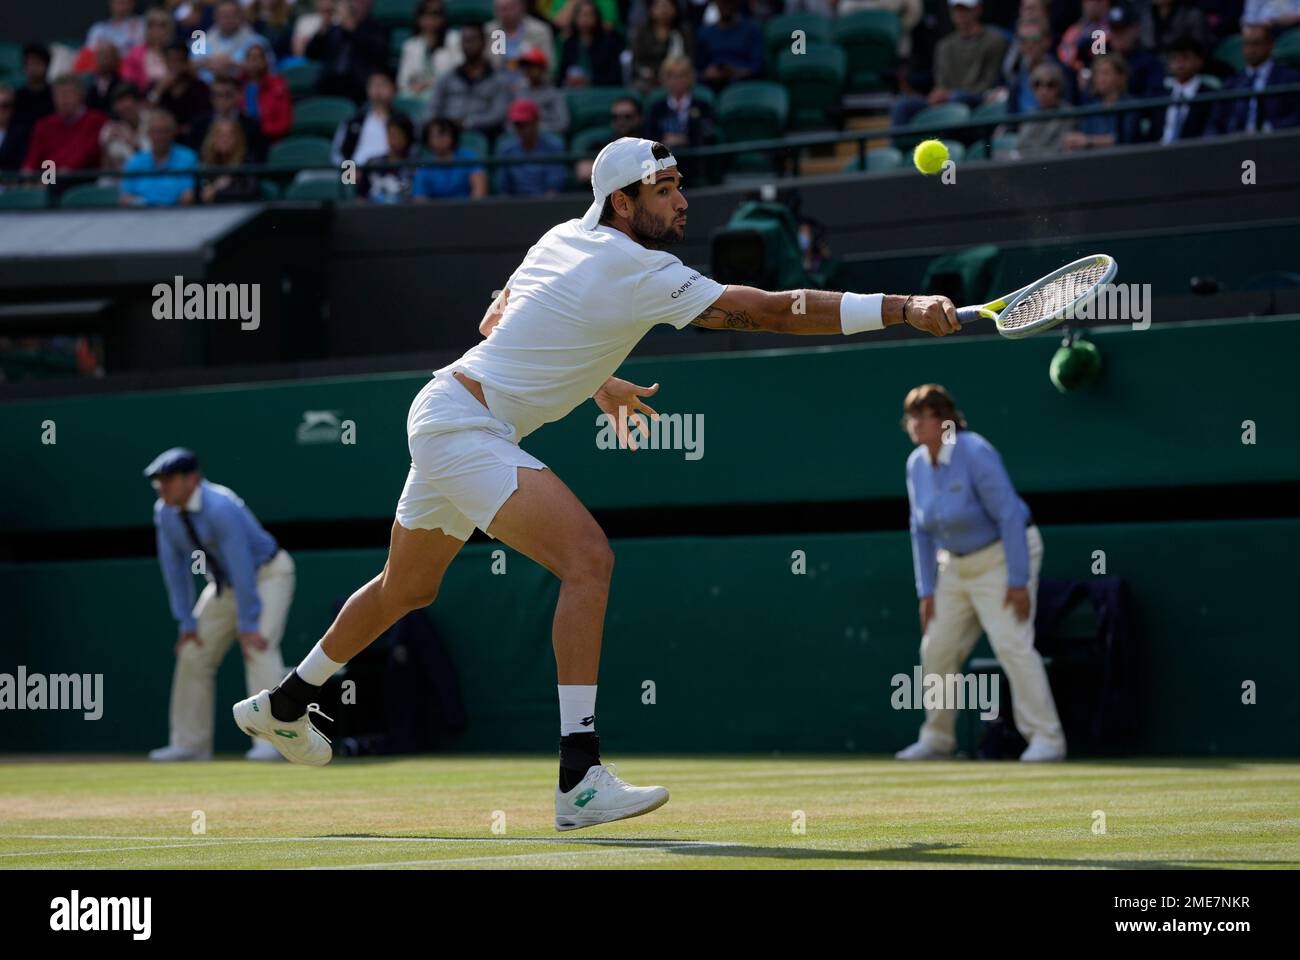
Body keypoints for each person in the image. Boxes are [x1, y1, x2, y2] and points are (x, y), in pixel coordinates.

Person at [231, 136, 963, 829]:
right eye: (666, 189)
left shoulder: (560, 237)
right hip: (463, 426)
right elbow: (773, 310)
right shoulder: (640, 269)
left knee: (406, 587)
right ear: (621, 201)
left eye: (681, 187)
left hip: (449, 409)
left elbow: (502, 323)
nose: (683, 204)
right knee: (589, 559)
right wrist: (901, 309)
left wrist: (595, 378)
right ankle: (579, 776)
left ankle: (285, 703)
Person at [895, 384, 1066, 763]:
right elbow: (919, 529)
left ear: (945, 421)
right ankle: (937, 739)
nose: (915, 424)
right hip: (953, 568)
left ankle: (1047, 739)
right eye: (911, 417)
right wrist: (926, 591)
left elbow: (1008, 515)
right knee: (936, 648)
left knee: (1011, 643)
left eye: (923, 416)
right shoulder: (916, 465)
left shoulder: (975, 452)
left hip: (1003, 558)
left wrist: (1018, 581)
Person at [148, 448, 295, 762]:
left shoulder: (220, 507)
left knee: (257, 647)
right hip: (225, 587)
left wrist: (248, 624)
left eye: (169, 479)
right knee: (192, 652)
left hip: (268, 575)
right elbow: (174, 570)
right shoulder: (164, 513)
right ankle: (190, 745)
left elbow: (242, 565)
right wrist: (186, 623)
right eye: (158, 481)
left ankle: (273, 743)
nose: (162, 486)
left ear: (193, 479)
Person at [891, 0, 1009, 128]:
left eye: (964, 9)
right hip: (947, 98)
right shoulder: (944, 46)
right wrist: (939, 94)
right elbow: (941, 82)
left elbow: (988, 83)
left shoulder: (995, 40)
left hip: (977, 98)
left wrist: (949, 94)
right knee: (903, 105)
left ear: (978, 9)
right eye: (956, 9)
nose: (959, 14)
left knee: (958, 99)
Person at [1208, 21, 1300, 134]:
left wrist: (1269, 129)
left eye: (1256, 43)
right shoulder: (1231, 83)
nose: (1251, 50)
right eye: (1246, 44)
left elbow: (1296, 117)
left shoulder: (1290, 78)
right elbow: (1216, 123)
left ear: (1270, 45)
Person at [425, 23, 515, 138]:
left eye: (473, 40)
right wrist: (439, 126)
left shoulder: (498, 79)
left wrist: (467, 123)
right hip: (447, 136)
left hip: (484, 135)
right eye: (465, 40)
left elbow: (498, 114)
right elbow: (432, 108)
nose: (468, 45)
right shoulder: (447, 78)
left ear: (484, 43)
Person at [306, 0, 391, 102]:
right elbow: (311, 53)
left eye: (360, 3)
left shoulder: (377, 28)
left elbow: (378, 54)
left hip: (358, 87)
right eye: (352, 3)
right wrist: (324, 26)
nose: (354, 7)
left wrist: (352, 29)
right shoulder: (335, 30)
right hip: (329, 84)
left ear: (369, 5)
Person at [22, 76, 108, 176]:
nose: (63, 99)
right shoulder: (44, 126)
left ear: (80, 96)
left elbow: (89, 155)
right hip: (51, 181)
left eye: (68, 93)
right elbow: (32, 162)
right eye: (59, 94)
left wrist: (64, 172)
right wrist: (26, 177)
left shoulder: (97, 121)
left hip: (84, 179)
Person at [1064, 52, 1145, 148]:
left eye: (1106, 73)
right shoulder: (1090, 109)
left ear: (1121, 77)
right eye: (1097, 74)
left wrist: (1088, 141)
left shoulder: (1132, 105)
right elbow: (1082, 136)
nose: (1100, 79)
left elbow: (1123, 139)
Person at [121, 109, 198, 206]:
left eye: (165, 131)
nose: (160, 136)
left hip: (177, 215)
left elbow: (187, 196)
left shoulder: (187, 157)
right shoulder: (135, 161)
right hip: (141, 216)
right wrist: (146, 205)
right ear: (148, 134)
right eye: (156, 131)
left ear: (173, 133)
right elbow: (125, 198)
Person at [494, 97, 568, 195]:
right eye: (518, 124)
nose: (521, 129)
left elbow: (554, 188)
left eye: (525, 124)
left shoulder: (554, 146)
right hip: (514, 205)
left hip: (547, 205)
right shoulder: (506, 150)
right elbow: (504, 189)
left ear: (536, 122)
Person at [190, 75, 268, 162]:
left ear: (239, 95)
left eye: (228, 95)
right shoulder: (199, 124)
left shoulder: (252, 126)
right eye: (217, 95)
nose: (222, 99)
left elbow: (258, 157)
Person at [397, 0, 464, 99]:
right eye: (425, 15)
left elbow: (459, 72)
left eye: (435, 14)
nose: (430, 19)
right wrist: (414, 85)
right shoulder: (411, 45)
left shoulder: (454, 39)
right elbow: (402, 80)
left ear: (442, 18)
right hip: (416, 94)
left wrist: (431, 83)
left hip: (447, 94)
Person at [332, 68, 398, 167]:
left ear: (394, 89)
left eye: (383, 85)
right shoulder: (353, 122)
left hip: (390, 173)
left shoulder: (403, 122)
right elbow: (338, 155)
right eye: (374, 85)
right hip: (355, 173)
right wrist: (351, 172)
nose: (378, 90)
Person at [150, 42, 212, 147]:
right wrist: (160, 90)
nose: (175, 65)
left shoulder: (199, 86)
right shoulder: (158, 86)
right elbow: (149, 109)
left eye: (179, 61)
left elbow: (203, 117)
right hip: (163, 136)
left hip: (192, 138)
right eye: (170, 61)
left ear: (187, 62)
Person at [694, 0, 763, 92]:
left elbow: (758, 67)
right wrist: (708, 74)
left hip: (745, 87)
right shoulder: (704, 34)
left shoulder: (752, 31)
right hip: (712, 87)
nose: (725, 6)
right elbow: (698, 70)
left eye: (729, 2)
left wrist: (734, 72)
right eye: (722, 2)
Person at [413, 116, 489, 199]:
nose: (440, 140)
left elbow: (479, 193)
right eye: (435, 136)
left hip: (467, 209)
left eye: (444, 134)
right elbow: (420, 200)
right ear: (427, 139)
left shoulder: (470, 157)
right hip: (436, 211)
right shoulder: (424, 166)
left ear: (453, 136)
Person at [1157, 32, 1214, 142]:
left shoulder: (1210, 95)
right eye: (1175, 58)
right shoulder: (1160, 94)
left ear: (1200, 61)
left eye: (1185, 57)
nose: (1180, 63)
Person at [558, 0, 627, 88]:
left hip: (600, 93)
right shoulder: (569, 44)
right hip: (572, 92)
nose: (585, 19)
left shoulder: (608, 44)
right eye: (581, 15)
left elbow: (615, 78)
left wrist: (589, 81)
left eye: (589, 15)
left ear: (596, 17)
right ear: (575, 18)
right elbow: (560, 77)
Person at [631, 0, 695, 94]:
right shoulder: (642, 33)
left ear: (675, 9)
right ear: (651, 10)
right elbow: (636, 61)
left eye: (667, 6)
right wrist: (645, 72)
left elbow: (689, 58)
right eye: (659, 6)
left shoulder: (683, 32)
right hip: (649, 78)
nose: (663, 10)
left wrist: (674, 73)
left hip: (676, 75)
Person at [1015, 59, 1072, 154]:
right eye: (1037, 85)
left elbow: (1059, 150)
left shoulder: (1069, 114)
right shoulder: (1030, 115)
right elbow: (1021, 147)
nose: (1043, 91)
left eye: (1050, 85)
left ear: (1059, 87)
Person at [198, 116, 262, 202]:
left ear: (238, 138)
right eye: (219, 135)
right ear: (211, 138)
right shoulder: (205, 161)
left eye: (229, 136)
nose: (224, 140)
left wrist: (216, 190)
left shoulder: (247, 161)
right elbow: (199, 193)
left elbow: (251, 192)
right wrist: (216, 187)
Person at [240, 42, 293, 143]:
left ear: (265, 61)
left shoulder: (278, 86)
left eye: (257, 58)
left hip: (268, 138)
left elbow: (284, 123)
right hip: (241, 138)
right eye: (250, 58)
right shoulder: (237, 85)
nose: (254, 62)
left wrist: (260, 129)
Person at [484, 0, 556, 73]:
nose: (505, 13)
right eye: (501, 9)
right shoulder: (488, 31)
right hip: (495, 80)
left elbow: (550, 66)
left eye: (510, 8)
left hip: (531, 81)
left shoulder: (540, 31)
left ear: (522, 7)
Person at [360, 112, 418, 203]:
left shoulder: (416, 166)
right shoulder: (372, 163)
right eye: (391, 134)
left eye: (399, 134)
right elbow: (360, 197)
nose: (394, 139)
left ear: (408, 137)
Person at [512, 48, 569, 135]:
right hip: (522, 139)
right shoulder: (518, 92)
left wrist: (533, 129)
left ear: (543, 68)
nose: (528, 69)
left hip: (548, 136)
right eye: (525, 66)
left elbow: (563, 123)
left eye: (532, 66)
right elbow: (509, 124)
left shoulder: (554, 93)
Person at [99, 83, 152, 172]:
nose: (123, 107)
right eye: (120, 103)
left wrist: (131, 141)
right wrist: (106, 146)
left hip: (148, 175)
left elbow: (154, 158)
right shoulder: (110, 128)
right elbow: (106, 166)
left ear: (139, 103)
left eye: (128, 107)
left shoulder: (153, 122)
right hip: (120, 178)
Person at [122, 7, 174, 93]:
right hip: (142, 99)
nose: (156, 30)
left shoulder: (176, 53)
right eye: (152, 25)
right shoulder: (135, 54)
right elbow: (128, 84)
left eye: (162, 26)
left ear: (169, 29)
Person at [14, 45, 54, 131]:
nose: (33, 68)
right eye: (29, 63)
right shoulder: (17, 96)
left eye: (37, 63)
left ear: (46, 66)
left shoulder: (55, 95)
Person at [0, 86, 30, 172]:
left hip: (10, 183)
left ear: (12, 108)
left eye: (5, 106)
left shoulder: (21, 135)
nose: (1, 109)